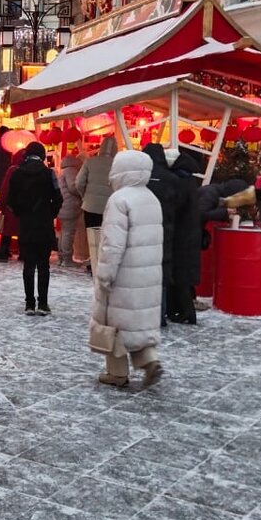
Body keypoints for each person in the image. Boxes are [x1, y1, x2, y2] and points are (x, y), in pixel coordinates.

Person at [91, 150, 164, 388]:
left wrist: (105, 274)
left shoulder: (119, 200)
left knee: (115, 324)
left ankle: (117, 373)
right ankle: (150, 360)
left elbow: (113, 243)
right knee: (138, 321)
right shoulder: (152, 197)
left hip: (123, 273)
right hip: (147, 273)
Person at [6, 142, 63, 315]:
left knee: (28, 266)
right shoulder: (49, 173)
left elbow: (10, 200)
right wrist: (50, 213)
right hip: (44, 225)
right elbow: (58, 198)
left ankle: (29, 303)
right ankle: (43, 304)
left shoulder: (16, 174)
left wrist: (21, 213)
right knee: (44, 265)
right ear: (42, 155)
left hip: (26, 225)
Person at [142, 144, 179, 325]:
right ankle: (160, 313)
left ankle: (145, 312)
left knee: (144, 271)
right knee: (161, 271)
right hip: (166, 227)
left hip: (144, 228)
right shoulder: (172, 178)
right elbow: (178, 203)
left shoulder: (143, 177)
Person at [167, 150, 202, 324]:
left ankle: (187, 312)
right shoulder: (189, 179)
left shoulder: (180, 181)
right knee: (182, 274)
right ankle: (183, 310)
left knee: (180, 275)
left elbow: (177, 205)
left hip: (182, 233)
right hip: (189, 231)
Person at [0, 147, 26, 262]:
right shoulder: (28, 169)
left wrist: (0, 204)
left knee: (7, 230)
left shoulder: (12, 169)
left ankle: (3, 252)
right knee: (22, 230)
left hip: (10, 205)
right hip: (24, 205)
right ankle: (23, 253)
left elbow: (5, 188)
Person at [57, 147, 84, 267]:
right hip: (70, 205)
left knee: (64, 232)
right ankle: (67, 259)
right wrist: (82, 191)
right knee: (69, 232)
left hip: (64, 205)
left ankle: (62, 257)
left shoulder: (64, 170)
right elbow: (73, 187)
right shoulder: (71, 170)